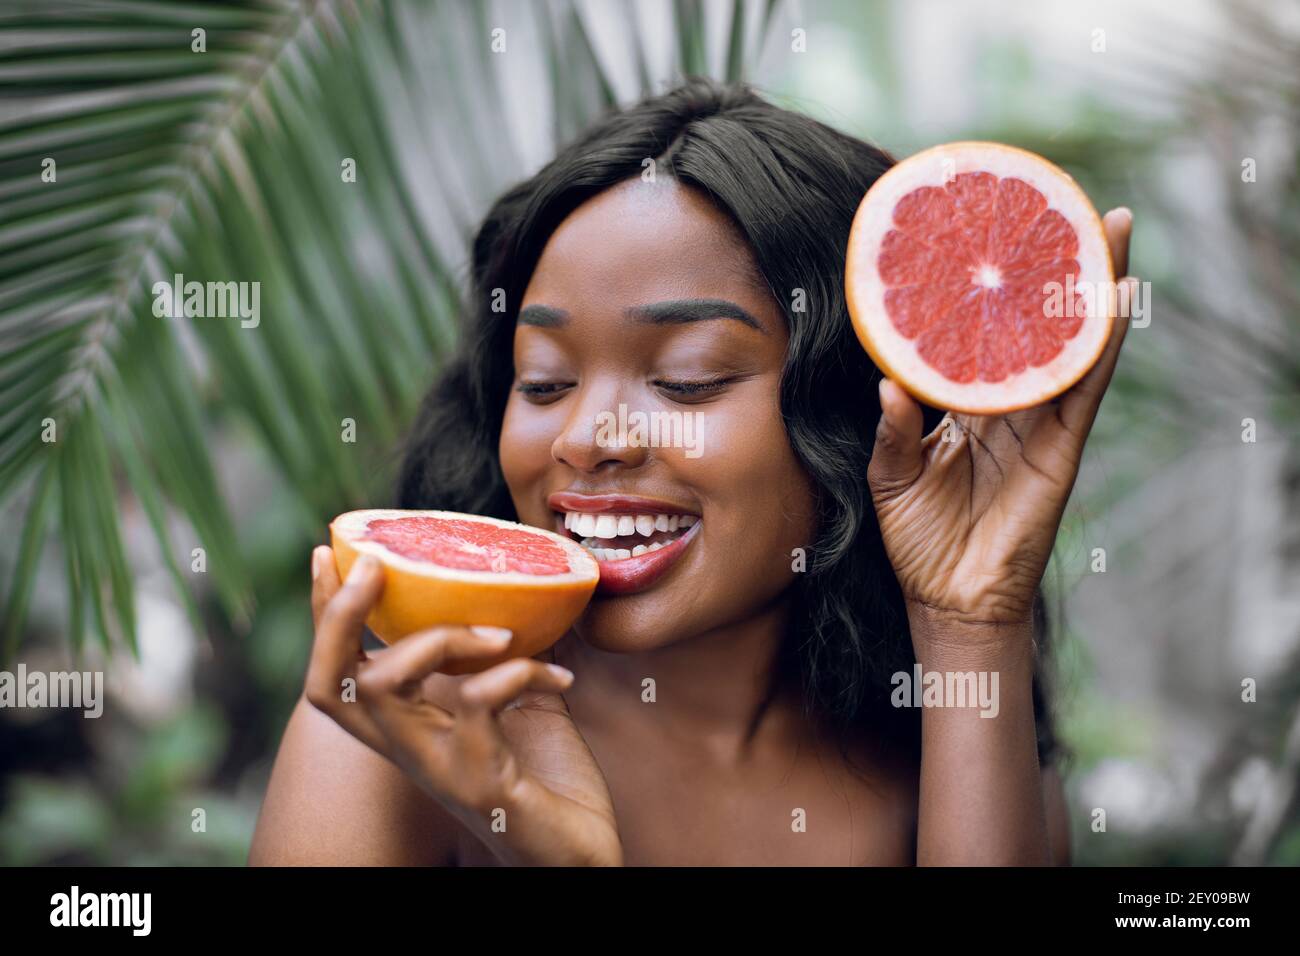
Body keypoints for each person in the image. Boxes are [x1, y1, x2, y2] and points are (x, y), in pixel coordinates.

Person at [250, 79, 1135, 866]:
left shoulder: (945, 755)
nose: (590, 439)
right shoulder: (402, 742)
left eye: (689, 378)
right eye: (545, 382)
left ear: (850, 411)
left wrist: (969, 627)